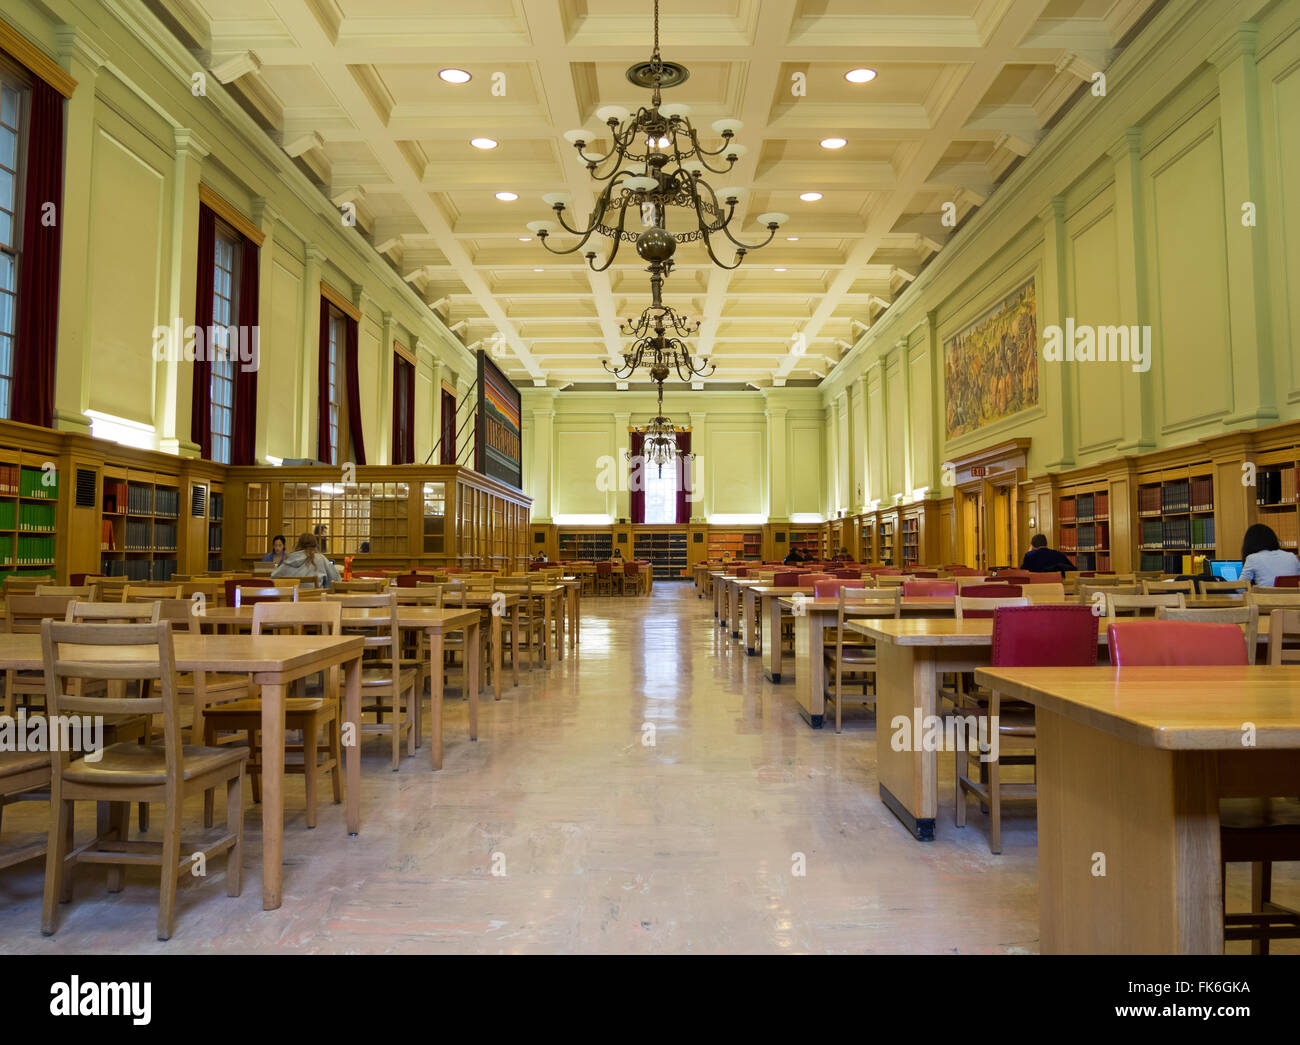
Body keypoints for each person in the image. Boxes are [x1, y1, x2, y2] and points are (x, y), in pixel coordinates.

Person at [272, 532, 342, 589]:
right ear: (315, 544)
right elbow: (336, 580)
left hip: (292, 602)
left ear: (298, 544)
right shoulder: (320, 559)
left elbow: (273, 577)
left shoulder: (289, 558)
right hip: (316, 602)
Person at [1240, 523, 1300, 587]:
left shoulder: (1252, 559)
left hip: (1265, 597)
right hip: (1292, 596)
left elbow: (1240, 588)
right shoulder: (1292, 557)